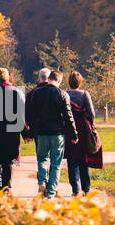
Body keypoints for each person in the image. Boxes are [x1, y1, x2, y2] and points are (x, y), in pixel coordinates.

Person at [24, 67, 78, 198]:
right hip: (57, 134)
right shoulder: (63, 94)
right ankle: (51, 192)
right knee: (56, 163)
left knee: (42, 159)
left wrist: (31, 131)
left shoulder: (37, 93)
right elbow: (68, 116)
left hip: (42, 133)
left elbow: (31, 115)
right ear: (59, 81)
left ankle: (42, 181)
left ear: (48, 79)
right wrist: (74, 133)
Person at [63, 71, 103, 195]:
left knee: (71, 159)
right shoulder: (85, 94)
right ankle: (86, 189)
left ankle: (75, 189)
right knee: (83, 159)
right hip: (83, 129)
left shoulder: (64, 94)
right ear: (80, 82)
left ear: (69, 82)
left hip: (69, 129)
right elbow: (91, 113)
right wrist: (91, 124)